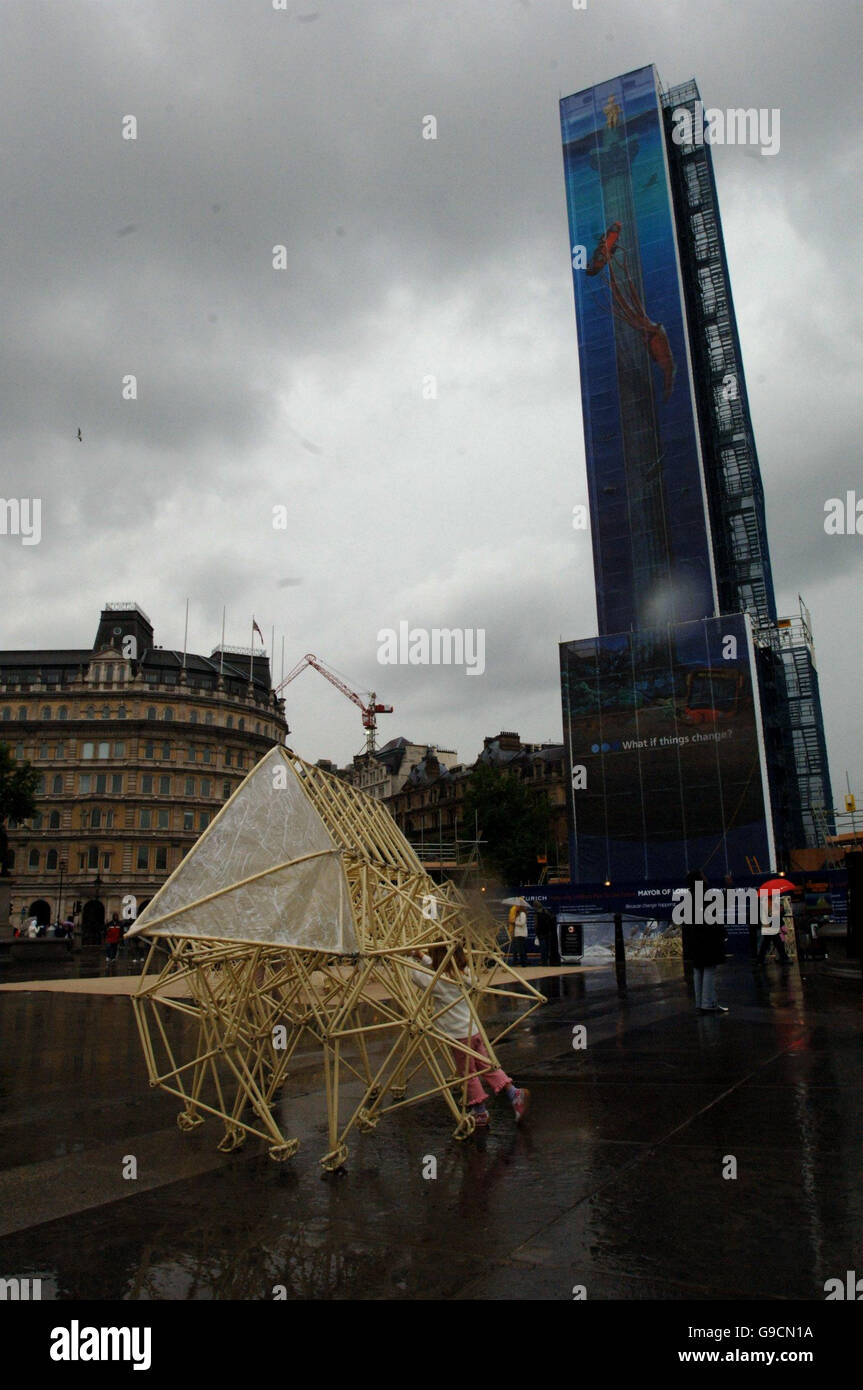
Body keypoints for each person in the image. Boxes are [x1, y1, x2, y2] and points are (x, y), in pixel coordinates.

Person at [410, 943, 529, 1128]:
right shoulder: (465, 974)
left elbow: (417, 978)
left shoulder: (440, 982)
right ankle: (513, 1092)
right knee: (486, 1066)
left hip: (459, 1035)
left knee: (468, 1074)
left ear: (439, 960)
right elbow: (438, 971)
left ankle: (480, 1111)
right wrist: (421, 957)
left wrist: (408, 958)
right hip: (473, 1030)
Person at [682, 868, 728, 1015]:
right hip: (708, 938)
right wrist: (729, 886)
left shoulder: (688, 896)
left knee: (698, 970)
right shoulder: (705, 894)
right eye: (703, 875)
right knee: (709, 969)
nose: (706, 877)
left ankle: (701, 1003)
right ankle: (708, 1003)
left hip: (695, 939)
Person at [757, 896, 790, 966]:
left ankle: (760, 960)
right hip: (770, 927)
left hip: (770, 927)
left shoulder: (768, 903)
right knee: (774, 943)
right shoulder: (768, 904)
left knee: (772, 943)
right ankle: (784, 958)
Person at [534, 903, 557, 968]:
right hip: (547, 932)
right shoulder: (547, 912)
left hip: (541, 933)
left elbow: (536, 924)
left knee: (542, 948)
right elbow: (552, 918)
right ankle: (547, 960)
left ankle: (543, 961)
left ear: (536, 907)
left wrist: (536, 932)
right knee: (547, 947)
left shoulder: (537, 914)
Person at [508, 902, 529, 967]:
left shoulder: (522, 914)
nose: (516, 907)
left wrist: (515, 922)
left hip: (521, 934)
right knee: (520, 949)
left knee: (522, 949)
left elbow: (522, 923)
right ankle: (522, 962)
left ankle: (524, 963)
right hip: (518, 934)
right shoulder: (518, 914)